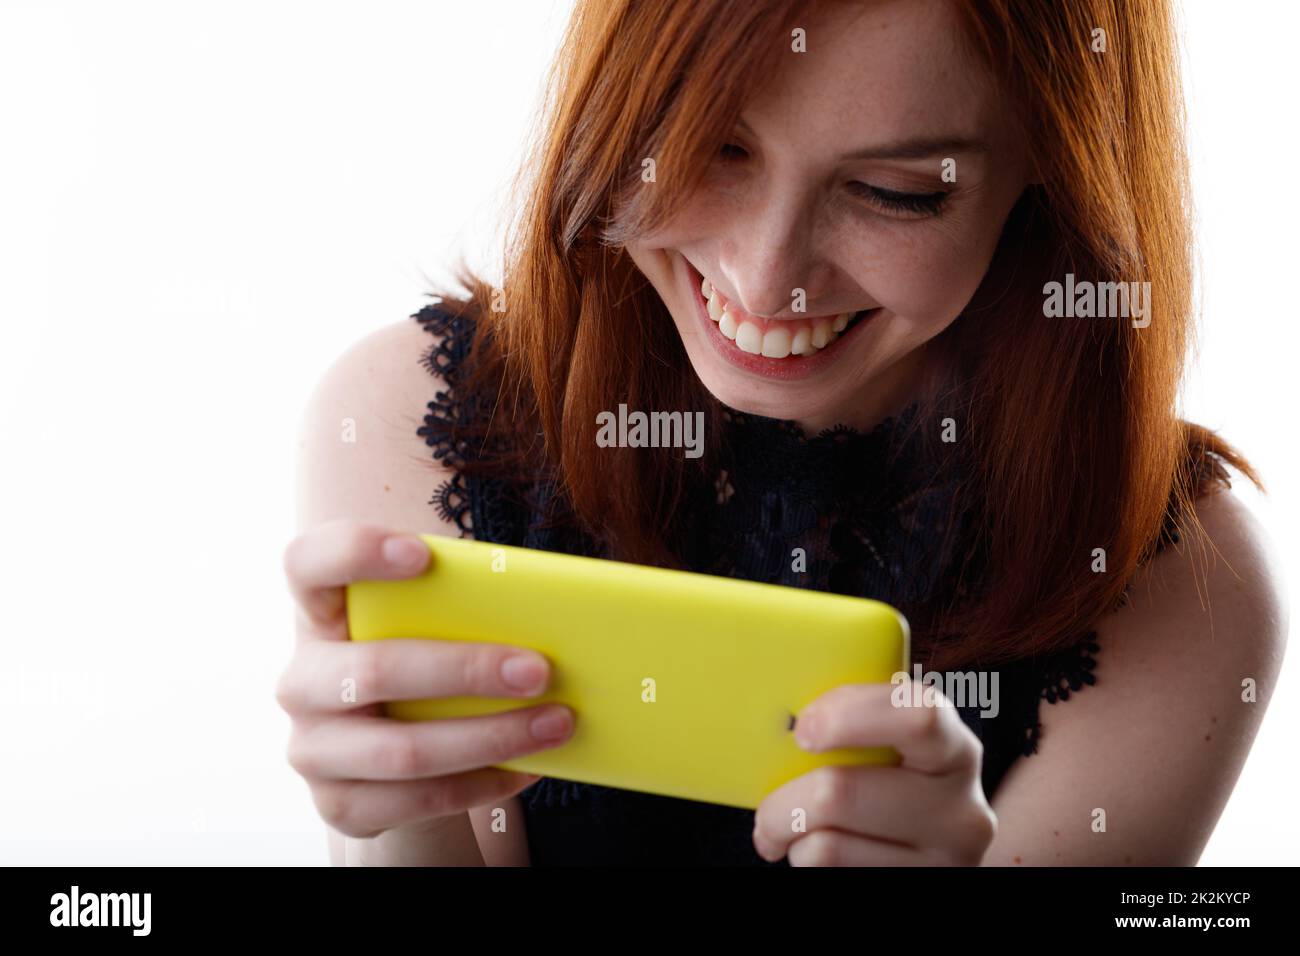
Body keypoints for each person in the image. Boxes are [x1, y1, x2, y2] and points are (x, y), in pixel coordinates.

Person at [276, 0, 1287, 866]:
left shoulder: (1180, 583)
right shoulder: (413, 418)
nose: (762, 281)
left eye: (896, 193)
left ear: (1053, 171)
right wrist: (391, 814)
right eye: (710, 146)